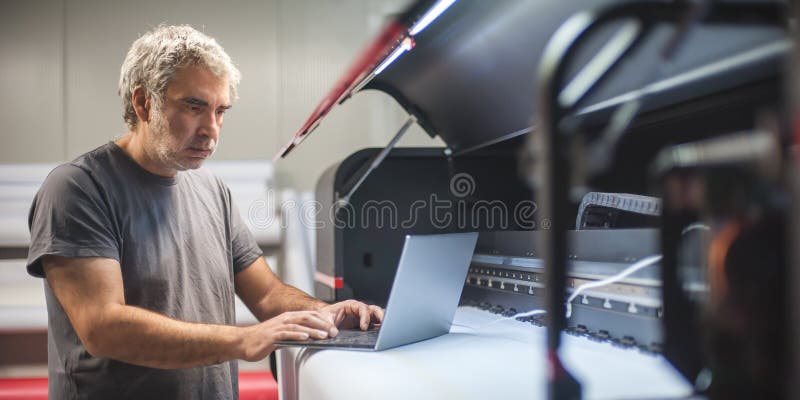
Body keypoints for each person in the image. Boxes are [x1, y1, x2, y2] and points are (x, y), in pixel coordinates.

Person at [25, 24, 382, 399]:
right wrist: (244, 339)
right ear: (143, 103)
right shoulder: (78, 189)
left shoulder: (212, 190)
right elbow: (103, 327)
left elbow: (267, 295)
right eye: (194, 107)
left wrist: (323, 312)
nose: (211, 130)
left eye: (220, 110)